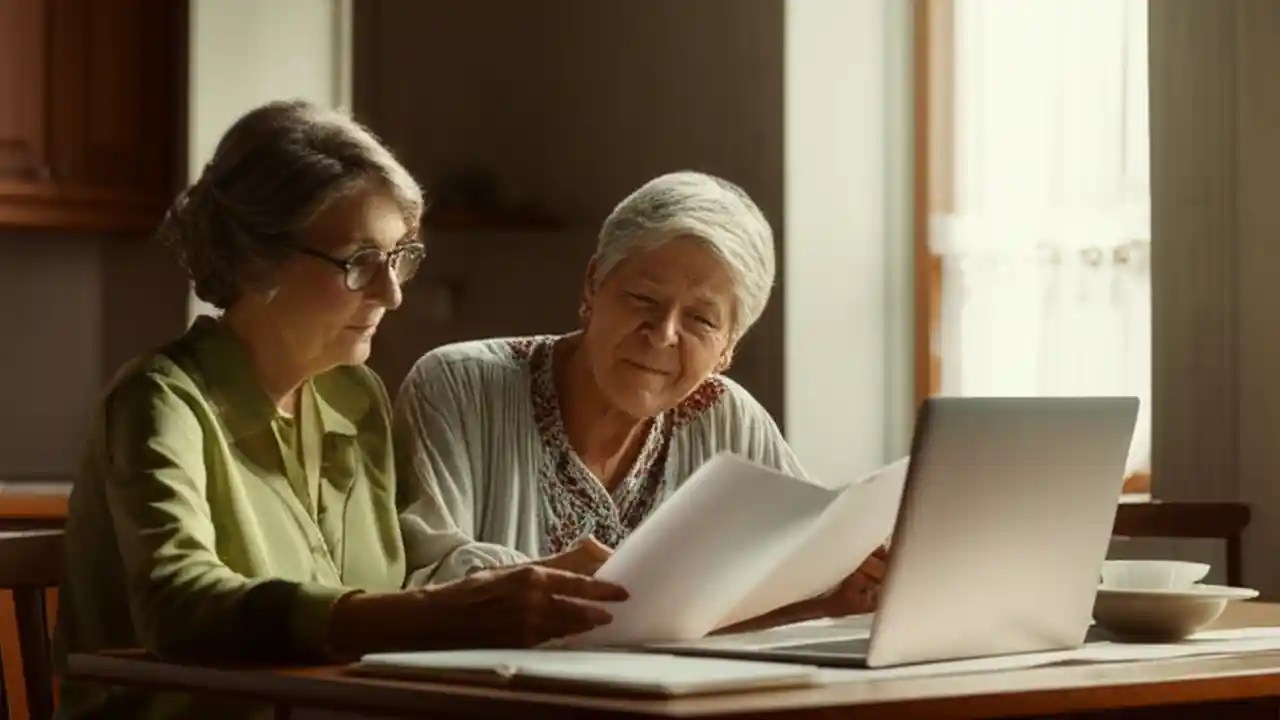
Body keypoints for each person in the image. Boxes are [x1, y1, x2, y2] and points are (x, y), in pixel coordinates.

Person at [53, 100, 627, 720]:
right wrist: (438, 613)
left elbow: (400, 587)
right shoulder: (160, 400)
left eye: (399, 255)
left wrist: (529, 585)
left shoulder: (355, 397)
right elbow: (179, 605)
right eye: (359, 262)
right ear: (255, 260)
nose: (392, 292)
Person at [395, 171, 884, 633]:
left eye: (701, 320)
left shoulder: (729, 418)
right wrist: (548, 580)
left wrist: (838, 589)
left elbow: (791, 570)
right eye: (643, 301)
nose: (663, 334)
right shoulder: (460, 385)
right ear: (593, 284)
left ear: (729, 345)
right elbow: (414, 582)